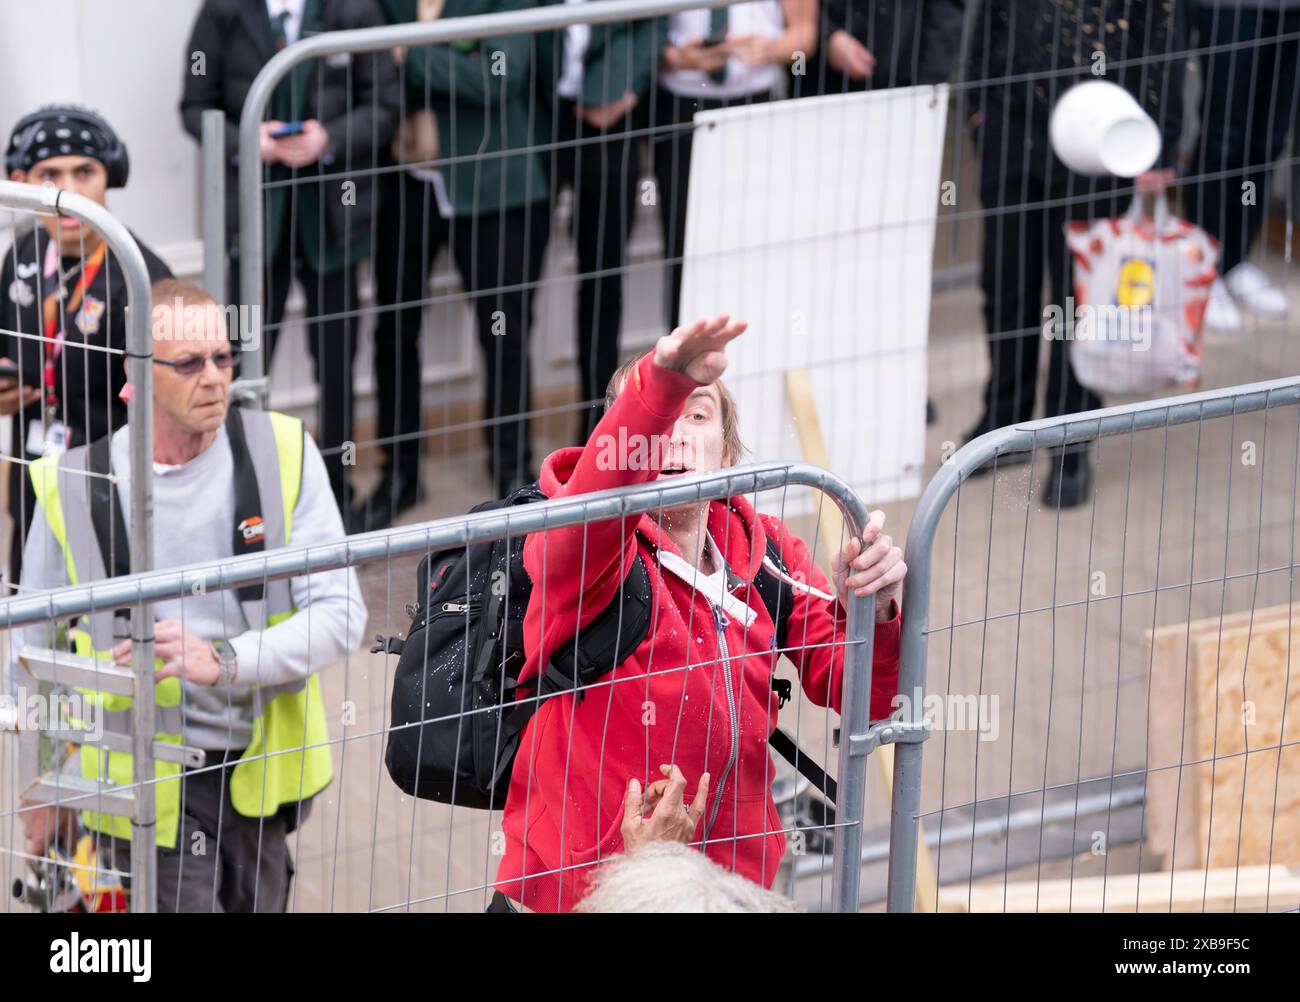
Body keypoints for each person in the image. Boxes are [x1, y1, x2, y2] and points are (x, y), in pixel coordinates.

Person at [493, 314, 906, 912]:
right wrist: (658, 384)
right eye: (660, 419)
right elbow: (592, 511)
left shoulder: (766, 556)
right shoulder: (585, 552)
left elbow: (864, 694)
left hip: (728, 895)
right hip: (582, 896)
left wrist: (875, 610)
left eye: (698, 413)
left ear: (728, 450)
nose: (677, 434)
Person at [13, 280, 368, 912]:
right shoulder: (70, 485)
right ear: (135, 378)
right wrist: (42, 793)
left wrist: (226, 658)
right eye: (188, 363)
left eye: (222, 359)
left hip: (261, 779)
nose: (213, 379)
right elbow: (28, 659)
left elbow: (342, 615)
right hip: (139, 785)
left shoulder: (283, 451)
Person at [963, 0, 1189, 507]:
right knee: (1006, 284)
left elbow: (1164, 43)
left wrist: (1161, 143)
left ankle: (1069, 442)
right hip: (1012, 129)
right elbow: (987, 23)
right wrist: (977, 107)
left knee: (1079, 299)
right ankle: (1004, 419)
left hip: (1099, 141)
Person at [180, 0, 400, 515]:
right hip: (255, 224)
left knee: (338, 359)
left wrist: (330, 139)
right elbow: (195, 107)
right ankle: (239, 495)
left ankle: (334, 494)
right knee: (242, 357)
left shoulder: (355, 10)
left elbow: (386, 106)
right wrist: (245, 140)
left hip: (334, 222)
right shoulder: (224, 11)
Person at [362, 0, 551, 525]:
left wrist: (411, 54)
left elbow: (500, 77)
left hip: (495, 186)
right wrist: (431, 60)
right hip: (406, 180)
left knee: (504, 332)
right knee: (394, 329)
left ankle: (512, 470)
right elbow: (369, 69)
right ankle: (400, 472)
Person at [1, 104, 173, 587]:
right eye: (50, 174)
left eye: (85, 172)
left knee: (104, 632)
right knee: (30, 617)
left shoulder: (144, 279)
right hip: (33, 476)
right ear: (22, 181)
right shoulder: (22, 253)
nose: (69, 191)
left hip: (112, 487)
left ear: (109, 179)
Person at [651, 1, 818, 328]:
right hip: (683, 106)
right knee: (684, 248)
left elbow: (805, 32)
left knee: (756, 243)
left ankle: (752, 356)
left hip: (756, 105)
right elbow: (637, 35)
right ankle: (683, 369)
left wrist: (771, 48)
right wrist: (675, 57)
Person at [550, 3, 662, 442]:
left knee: (602, 282)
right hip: (539, 121)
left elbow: (651, 25)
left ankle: (596, 430)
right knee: (509, 296)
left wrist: (627, 91)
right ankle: (510, 455)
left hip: (612, 128)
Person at [1186, 0, 1300, 331]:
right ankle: (1204, 267)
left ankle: (1237, 259)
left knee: (1269, 141)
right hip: (1233, 8)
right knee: (1224, 139)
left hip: (1290, 11)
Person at [818, 0, 964, 95]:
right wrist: (828, 35)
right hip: (820, 80)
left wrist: (926, 87)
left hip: (902, 81)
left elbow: (946, 16)